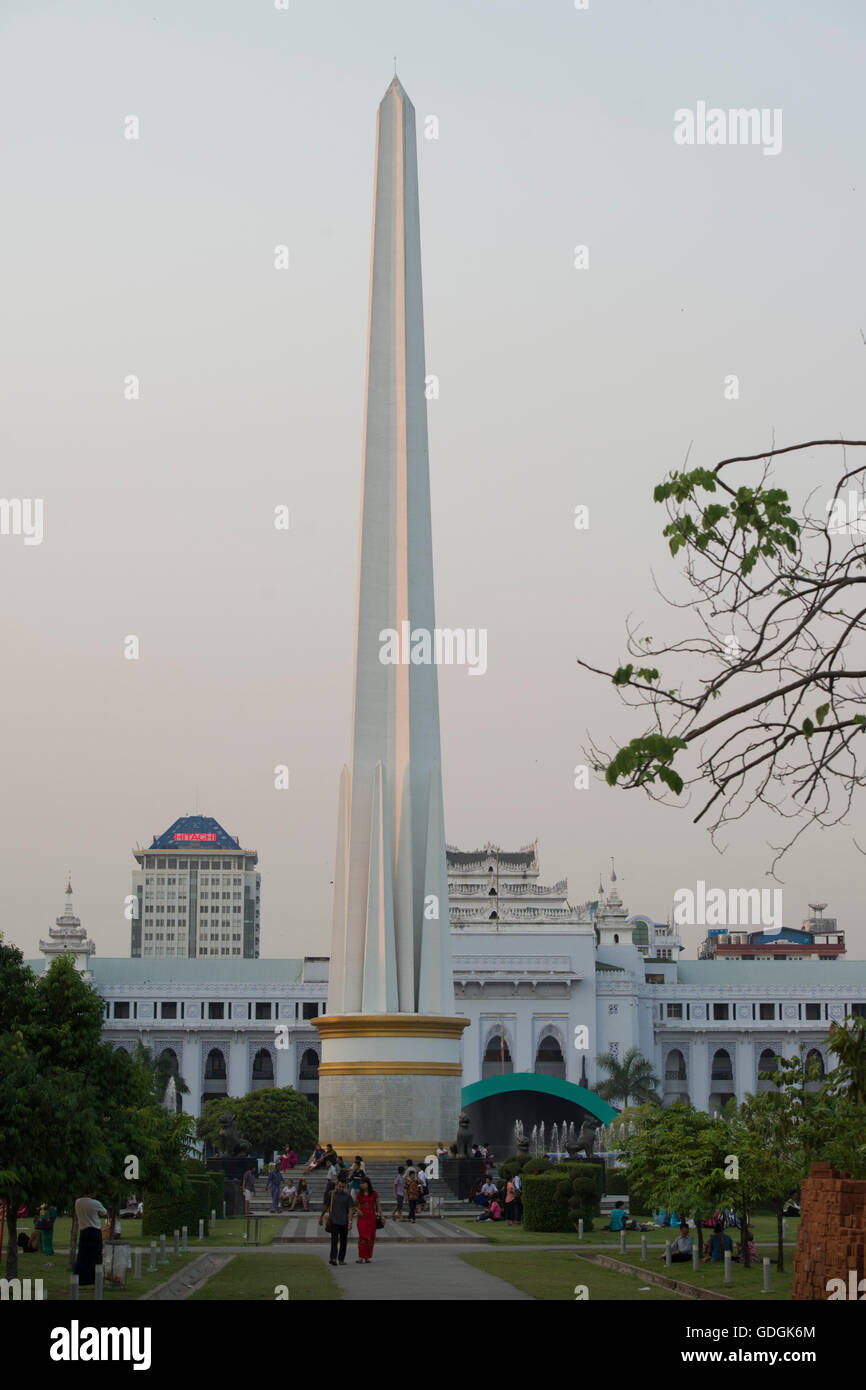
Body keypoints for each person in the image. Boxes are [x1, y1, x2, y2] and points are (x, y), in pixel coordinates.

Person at [74, 1191, 107, 1286]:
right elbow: (104, 1212)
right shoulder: (95, 1203)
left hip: (84, 1231)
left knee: (83, 1256)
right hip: (94, 1231)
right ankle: (95, 1279)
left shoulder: (78, 1202)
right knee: (96, 1256)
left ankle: (82, 1279)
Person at [323, 1179, 354, 1265]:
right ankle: (333, 1258)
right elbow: (326, 1205)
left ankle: (341, 1259)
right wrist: (321, 1216)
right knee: (334, 1241)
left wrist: (350, 1221)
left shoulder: (347, 1196)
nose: (341, 1188)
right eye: (339, 1186)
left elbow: (350, 1209)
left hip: (344, 1221)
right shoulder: (331, 1194)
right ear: (336, 1185)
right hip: (334, 1221)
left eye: (342, 1187)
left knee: (343, 1241)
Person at [354, 1175, 384, 1263]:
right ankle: (360, 1257)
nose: (362, 1185)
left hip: (371, 1218)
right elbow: (354, 1206)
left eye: (363, 1183)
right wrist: (358, 1210)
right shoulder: (359, 1194)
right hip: (362, 1218)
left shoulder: (374, 1194)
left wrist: (382, 1216)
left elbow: (378, 1206)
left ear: (368, 1184)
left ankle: (367, 1257)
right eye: (361, 1183)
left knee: (370, 1237)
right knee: (363, 1237)